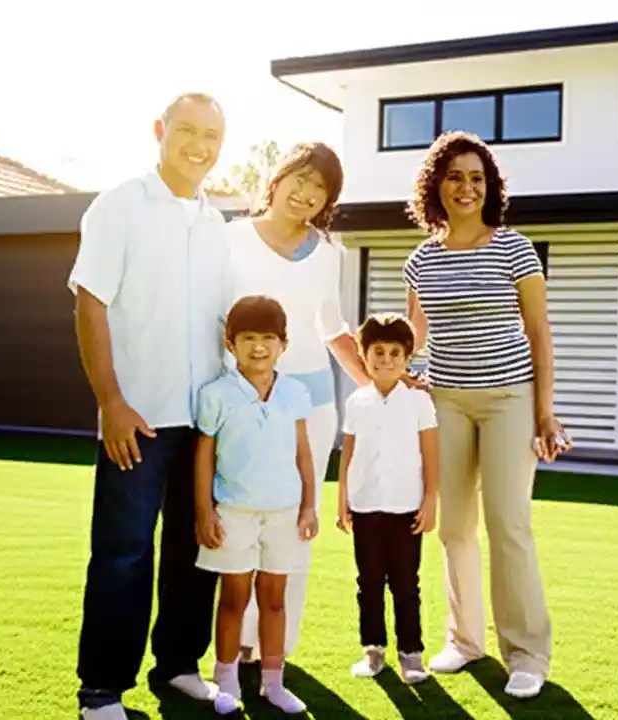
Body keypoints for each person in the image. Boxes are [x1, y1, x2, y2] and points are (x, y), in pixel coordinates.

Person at [68, 92, 230, 720]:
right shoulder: (119, 206)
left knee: (195, 551)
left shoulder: (217, 225)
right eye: (187, 130)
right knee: (124, 554)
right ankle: (102, 690)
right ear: (160, 130)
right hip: (137, 419)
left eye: (212, 136)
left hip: (204, 424)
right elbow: (90, 303)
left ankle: (179, 666)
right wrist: (110, 400)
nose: (199, 146)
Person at [402, 130, 573, 700]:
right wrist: (395, 362)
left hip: (508, 399)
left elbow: (539, 331)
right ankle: (465, 640)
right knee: (453, 527)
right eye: (455, 176)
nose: (466, 187)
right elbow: (418, 335)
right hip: (446, 400)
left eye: (476, 178)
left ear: (490, 186)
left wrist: (544, 413)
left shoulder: (514, 248)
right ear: (437, 185)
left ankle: (526, 654)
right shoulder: (421, 260)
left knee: (508, 524)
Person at [221, 141, 371, 660]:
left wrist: (377, 382)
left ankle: (274, 649)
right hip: (241, 402)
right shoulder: (230, 239)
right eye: (300, 178)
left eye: (320, 188)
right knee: (238, 520)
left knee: (295, 524)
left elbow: (332, 329)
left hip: (311, 405)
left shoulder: (330, 254)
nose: (306, 193)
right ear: (279, 177)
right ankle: (234, 645)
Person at [193, 294, 318, 715]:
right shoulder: (216, 394)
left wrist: (309, 506)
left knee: (274, 599)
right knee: (233, 598)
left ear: (284, 343)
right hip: (233, 512)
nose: (258, 347)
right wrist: (205, 511)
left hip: (284, 513)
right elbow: (204, 457)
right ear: (230, 344)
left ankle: (273, 683)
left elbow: (304, 453)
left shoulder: (295, 393)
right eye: (247, 338)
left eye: (268, 338)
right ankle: (226, 680)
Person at [336, 313, 439, 684]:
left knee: (406, 584)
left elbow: (430, 454)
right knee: (369, 583)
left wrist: (431, 499)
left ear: (407, 357)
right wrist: (342, 500)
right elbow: (348, 453)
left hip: (406, 507)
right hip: (365, 506)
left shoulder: (419, 402)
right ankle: (373, 649)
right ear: (364, 355)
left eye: (395, 353)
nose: (386, 360)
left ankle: (411, 654)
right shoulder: (356, 402)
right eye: (378, 352)